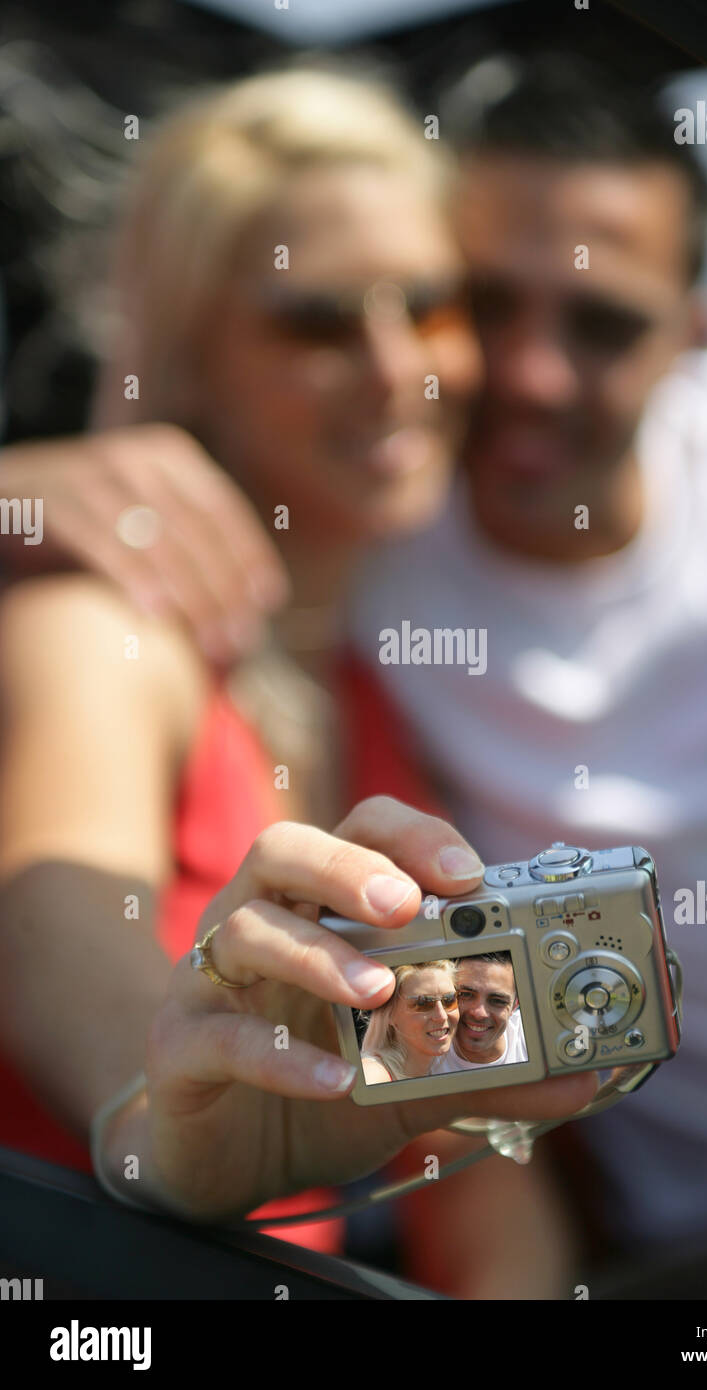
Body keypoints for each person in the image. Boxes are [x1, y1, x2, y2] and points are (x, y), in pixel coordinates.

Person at [347, 53, 707, 1285]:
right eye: (487, 305)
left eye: (602, 323)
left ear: (695, 335)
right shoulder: (358, 524)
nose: (531, 374)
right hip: (664, 1251)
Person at [0, 62, 483, 1248]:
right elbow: (48, 915)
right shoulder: (105, 633)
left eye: (429, 304)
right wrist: (155, 1111)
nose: (397, 367)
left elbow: (459, 1149)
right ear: (190, 360)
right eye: (316, 320)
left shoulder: (367, 686)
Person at [360, 960, 458, 1082]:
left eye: (449, 1000)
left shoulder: (447, 1066)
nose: (442, 1016)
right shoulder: (374, 1071)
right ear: (390, 1014)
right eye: (422, 1003)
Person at [429, 953, 527, 1072]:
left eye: (497, 1001)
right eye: (466, 994)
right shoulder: (423, 1053)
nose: (479, 1014)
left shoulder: (535, 1041)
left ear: (514, 1006)